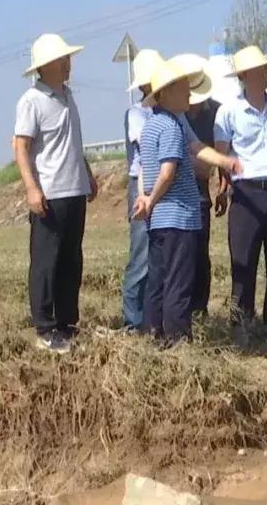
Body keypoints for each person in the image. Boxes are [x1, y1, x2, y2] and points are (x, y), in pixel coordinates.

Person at [134, 58, 239, 345]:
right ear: (166, 93)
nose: (190, 94)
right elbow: (167, 172)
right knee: (179, 281)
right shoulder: (169, 126)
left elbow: (195, 148)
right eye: (183, 88)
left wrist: (225, 162)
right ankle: (177, 339)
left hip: (159, 221)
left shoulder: (159, 123)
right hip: (178, 216)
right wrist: (152, 200)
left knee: (158, 278)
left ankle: (152, 332)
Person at [13, 33, 98, 354]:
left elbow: (73, 141)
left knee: (70, 260)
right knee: (46, 262)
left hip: (74, 190)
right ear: (46, 65)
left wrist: (87, 174)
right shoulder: (32, 100)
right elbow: (21, 147)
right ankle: (45, 327)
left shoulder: (68, 96)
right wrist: (31, 188)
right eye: (63, 60)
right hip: (49, 192)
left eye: (68, 59)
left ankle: (67, 323)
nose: (68, 64)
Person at [213, 46, 267, 344]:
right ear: (244, 76)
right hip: (246, 192)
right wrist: (224, 190)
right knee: (243, 262)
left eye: (266, 69)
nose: (266, 73)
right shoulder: (228, 111)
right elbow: (221, 157)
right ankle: (242, 326)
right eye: (260, 70)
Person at [172, 55, 225, 316]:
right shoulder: (173, 115)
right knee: (181, 256)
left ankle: (199, 309)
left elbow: (223, 150)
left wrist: (223, 180)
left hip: (202, 195)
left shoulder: (217, 112)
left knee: (200, 253)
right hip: (175, 194)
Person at [121, 49, 165, 331]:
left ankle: (154, 318)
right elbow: (149, 142)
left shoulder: (171, 113)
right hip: (141, 186)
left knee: (161, 254)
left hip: (164, 186)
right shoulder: (136, 114)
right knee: (141, 254)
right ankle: (133, 321)